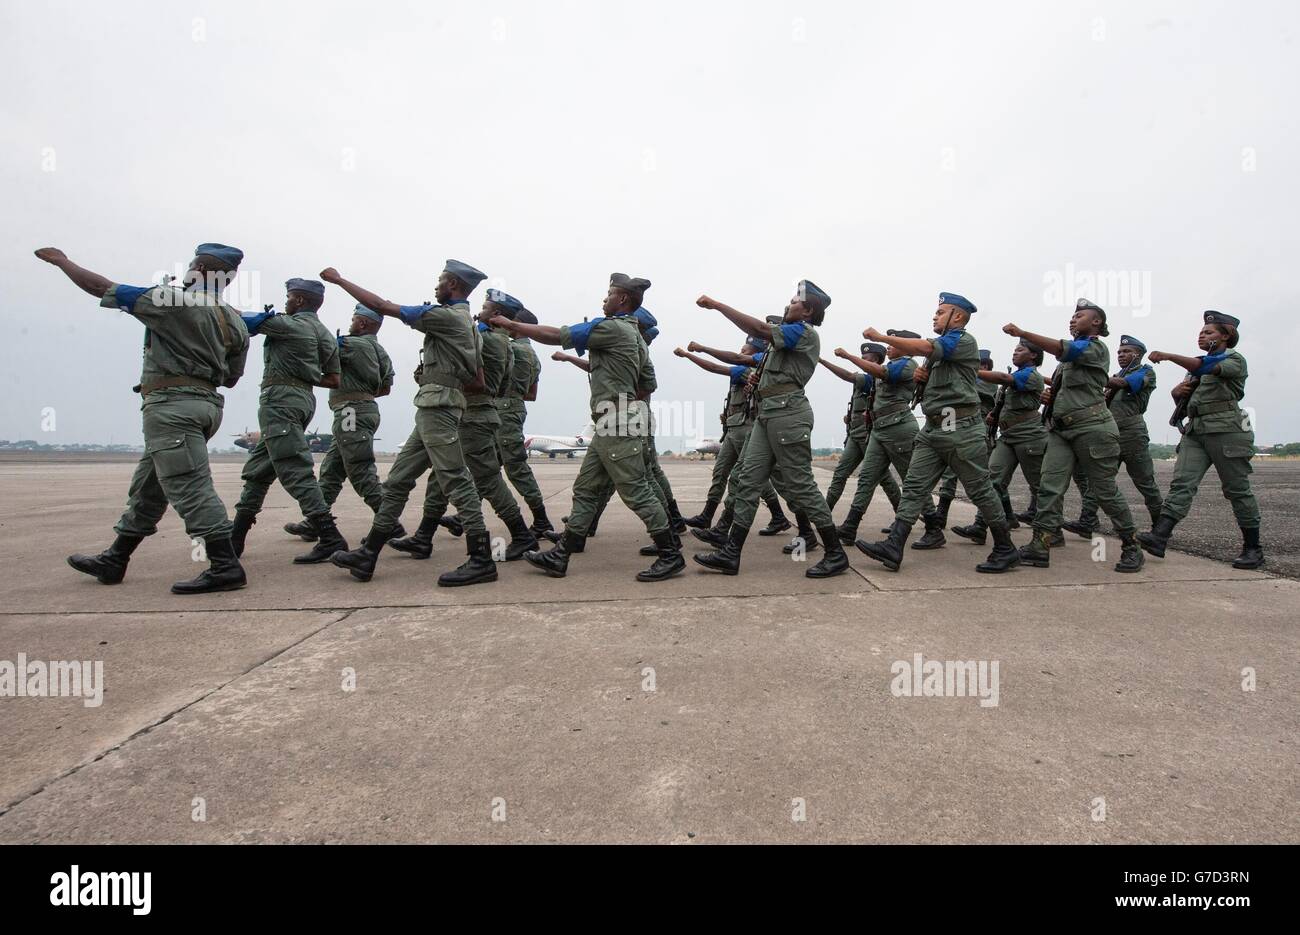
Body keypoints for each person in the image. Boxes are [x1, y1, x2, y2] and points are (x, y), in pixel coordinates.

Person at [37, 243, 250, 593]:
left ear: (197, 268)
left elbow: (101, 288)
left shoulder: (174, 301)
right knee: (150, 487)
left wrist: (62, 261)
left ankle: (226, 565)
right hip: (207, 405)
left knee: (189, 486)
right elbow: (231, 378)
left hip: (172, 408)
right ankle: (115, 558)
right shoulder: (234, 320)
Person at [494, 273, 684, 581]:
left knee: (636, 490)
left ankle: (670, 554)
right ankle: (562, 554)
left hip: (616, 422)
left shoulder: (610, 327)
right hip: (612, 421)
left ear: (622, 300)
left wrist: (512, 325)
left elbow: (557, 334)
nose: (604, 299)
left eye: (609, 294)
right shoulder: (636, 338)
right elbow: (647, 384)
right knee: (586, 488)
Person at [319, 259, 498, 586]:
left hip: (438, 406)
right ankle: (368, 553)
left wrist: (339, 280)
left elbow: (381, 306)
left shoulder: (447, 317)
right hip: (437, 405)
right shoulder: (470, 328)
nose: (436, 285)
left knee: (455, 479)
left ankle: (482, 558)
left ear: (453, 285)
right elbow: (478, 380)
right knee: (398, 479)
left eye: (441, 280)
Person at [691, 281, 849, 578]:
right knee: (747, 479)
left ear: (808, 310)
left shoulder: (802, 332)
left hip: (788, 414)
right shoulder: (785, 340)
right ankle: (731, 553)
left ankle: (836, 553)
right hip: (767, 415)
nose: (787, 305)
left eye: (793, 301)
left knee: (800, 485)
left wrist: (718, 305)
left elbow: (763, 332)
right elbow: (748, 360)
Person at [856, 294, 1019, 574]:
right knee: (914, 486)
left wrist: (884, 337)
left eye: (941, 312)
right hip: (934, 427)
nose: (935, 316)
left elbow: (923, 347)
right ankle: (895, 545)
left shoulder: (961, 340)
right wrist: (925, 378)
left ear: (957, 316)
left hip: (959, 427)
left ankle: (1005, 547)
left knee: (979, 488)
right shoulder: (940, 352)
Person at [390, 290, 539, 561]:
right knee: (441, 478)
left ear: (496, 314)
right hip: (470, 414)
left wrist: (436, 378)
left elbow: (479, 383)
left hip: (473, 415)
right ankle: (423, 536)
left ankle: (521, 535)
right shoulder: (503, 342)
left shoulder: (490, 341)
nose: (478, 312)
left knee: (487, 480)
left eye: (484, 307)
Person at [1002, 299, 1144, 572]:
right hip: (1061, 430)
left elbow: (1061, 348)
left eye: (1079, 316)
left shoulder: (1095, 347)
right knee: (1049, 488)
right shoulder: (1068, 362)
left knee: (1104, 491)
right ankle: (1039, 545)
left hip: (1093, 428)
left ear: (1096, 323)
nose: (1073, 319)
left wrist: (1023, 333)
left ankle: (1131, 545)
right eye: (1072, 315)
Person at [229, 279, 345, 563]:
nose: (286, 302)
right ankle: (235, 540)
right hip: (304, 400)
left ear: (301, 301)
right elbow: (333, 379)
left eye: (289, 297)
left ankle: (330, 536)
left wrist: (204, 300)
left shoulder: (287, 325)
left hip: (280, 401)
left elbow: (237, 319)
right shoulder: (327, 335)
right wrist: (303, 374)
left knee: (295, 469)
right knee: (259, 470)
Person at [1139, 311, 1262, 569]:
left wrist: (1170, 356)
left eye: (1209, 332)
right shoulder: (1194, 370)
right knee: (1182, 483)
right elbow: (1188, 403)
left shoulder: (1234, 360)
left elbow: (1208, 367)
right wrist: (1176, 394)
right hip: (1197, 431)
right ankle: (1159, 537)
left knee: (1237, 489)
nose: (1202, 335)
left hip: (1227, 430)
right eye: (1201, 331)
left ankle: (1253, 548)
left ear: (1226, 336)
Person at [283, 303, 396, 541]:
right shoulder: (380, 351)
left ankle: (389, 523)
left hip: (349, 413)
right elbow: (385, 388)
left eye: (354, 319)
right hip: (365, 409)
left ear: (363, 323)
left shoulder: (348, 344)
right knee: (332, 470)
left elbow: (319, 354)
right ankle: (316, 521)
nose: (351, 323)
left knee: (360, 470)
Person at [675, 336, 792, 544]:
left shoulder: (745, 371)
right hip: (733, 427)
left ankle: (779, 517)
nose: (741, 354)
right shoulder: (746, 373)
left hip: (744, 429)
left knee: (749, 478)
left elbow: (714, 367)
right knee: (722, 472)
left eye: (745, 352)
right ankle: (707, 517)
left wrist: (689, 354)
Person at [829, 334, 937, 543]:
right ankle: (850, 527)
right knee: (866, 480)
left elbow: (881, 372)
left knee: (912, 481)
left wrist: (849, 356)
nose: (888, 347)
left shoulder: (906, 364)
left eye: (893, 344)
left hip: (899, 429)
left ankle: (933, 527)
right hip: (879, 429)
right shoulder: (893, 365)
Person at [1061, 334, 1162, 537]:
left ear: (1138, 354)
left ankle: (1160, 529)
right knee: (1099, 480)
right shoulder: (1117, 374)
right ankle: (1087, 521)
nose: (1121, 355)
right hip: (1110, 433)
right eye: (1119, 352)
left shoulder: (1146, 372)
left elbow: (1123, 384)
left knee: (1145, 482)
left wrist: (1093, 377)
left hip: (1132, 434)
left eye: (1127, 352)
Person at [951, 339, 1048, 545]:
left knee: (1040, 487)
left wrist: (969, 371)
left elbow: (1004, 378)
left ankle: (1049, 532)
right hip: (1008, 436)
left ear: (1033, 356)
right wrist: (996, 415)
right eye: (1014, 349)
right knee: (992, 481)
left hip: (1029, 435)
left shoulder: (1030, 375)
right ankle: (980, 526)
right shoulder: (1016, 375)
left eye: (1020, 350)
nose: (1015, 353)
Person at [817, 343, 903, 527]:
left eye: (867, 359)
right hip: (856, 435)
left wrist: (823, 361)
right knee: (840, 474)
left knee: (884, 478)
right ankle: (823, 515)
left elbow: (848, 376)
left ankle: (901, 516)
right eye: (862, 358)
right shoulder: (865, 379)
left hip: (867, 434)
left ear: (877, 361)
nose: (862, 361)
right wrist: (852, 417)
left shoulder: (873, 378)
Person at [497, 308, 552, 536]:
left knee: (515, 468)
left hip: (502, 411)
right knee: (487, 467)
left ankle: (541, 520)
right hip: (514, 408)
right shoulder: (533, 356)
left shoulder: (510, 349)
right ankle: (463, 518)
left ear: (516, 323)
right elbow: (531, 394)